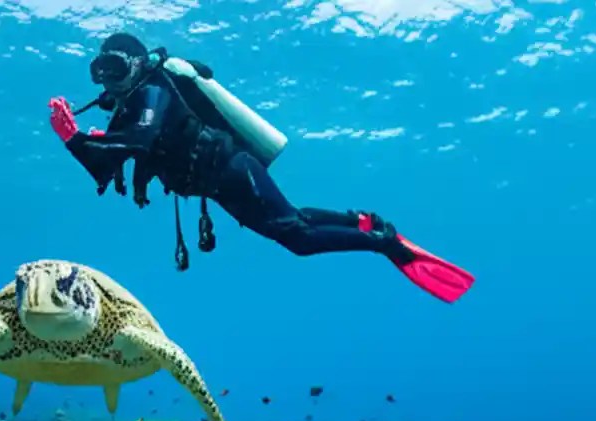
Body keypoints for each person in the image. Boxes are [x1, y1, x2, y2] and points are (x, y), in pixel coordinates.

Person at [48, 33, 474, 303]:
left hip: (232, 170)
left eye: (115, 69)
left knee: (298, 238)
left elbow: (139, 141)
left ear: (137, 65)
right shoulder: (129, 108)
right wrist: (78, 141)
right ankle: (360, 221)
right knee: (294, 221)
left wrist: (77, 139)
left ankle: (384, 242)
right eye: (99, 73)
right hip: (221, 184)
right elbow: (109, 166)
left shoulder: (154, 91)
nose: (108, 81)